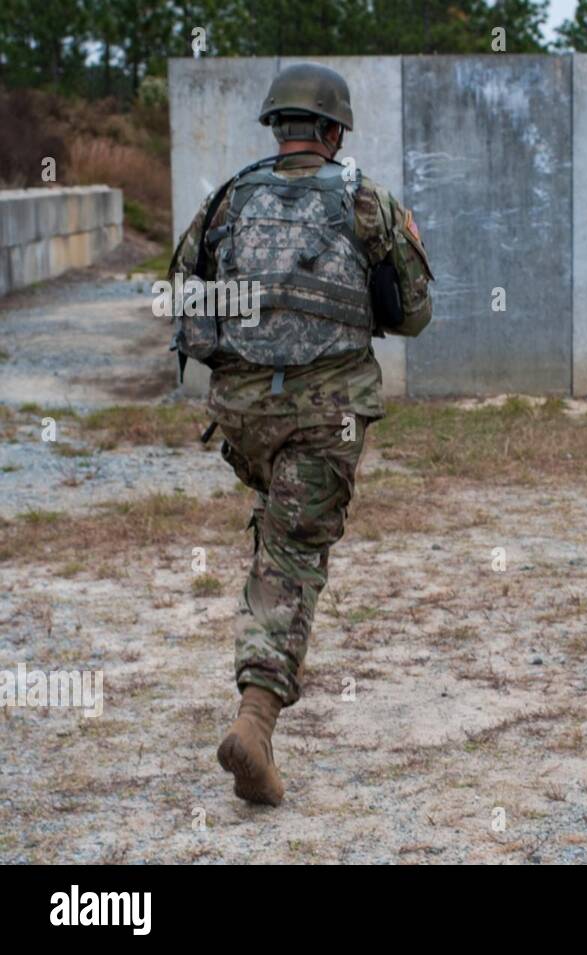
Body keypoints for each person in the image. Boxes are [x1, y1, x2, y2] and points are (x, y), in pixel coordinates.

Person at [168, 62, 433, 806]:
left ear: (276, 128)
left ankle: (256, 708)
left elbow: (187, 301)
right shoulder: (366, 199)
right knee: (290, 552)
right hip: (326, 414)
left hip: (244, 413)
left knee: (279, 531)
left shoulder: (225, 200)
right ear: (334, 130)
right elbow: (414, 314)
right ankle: (254, 724)